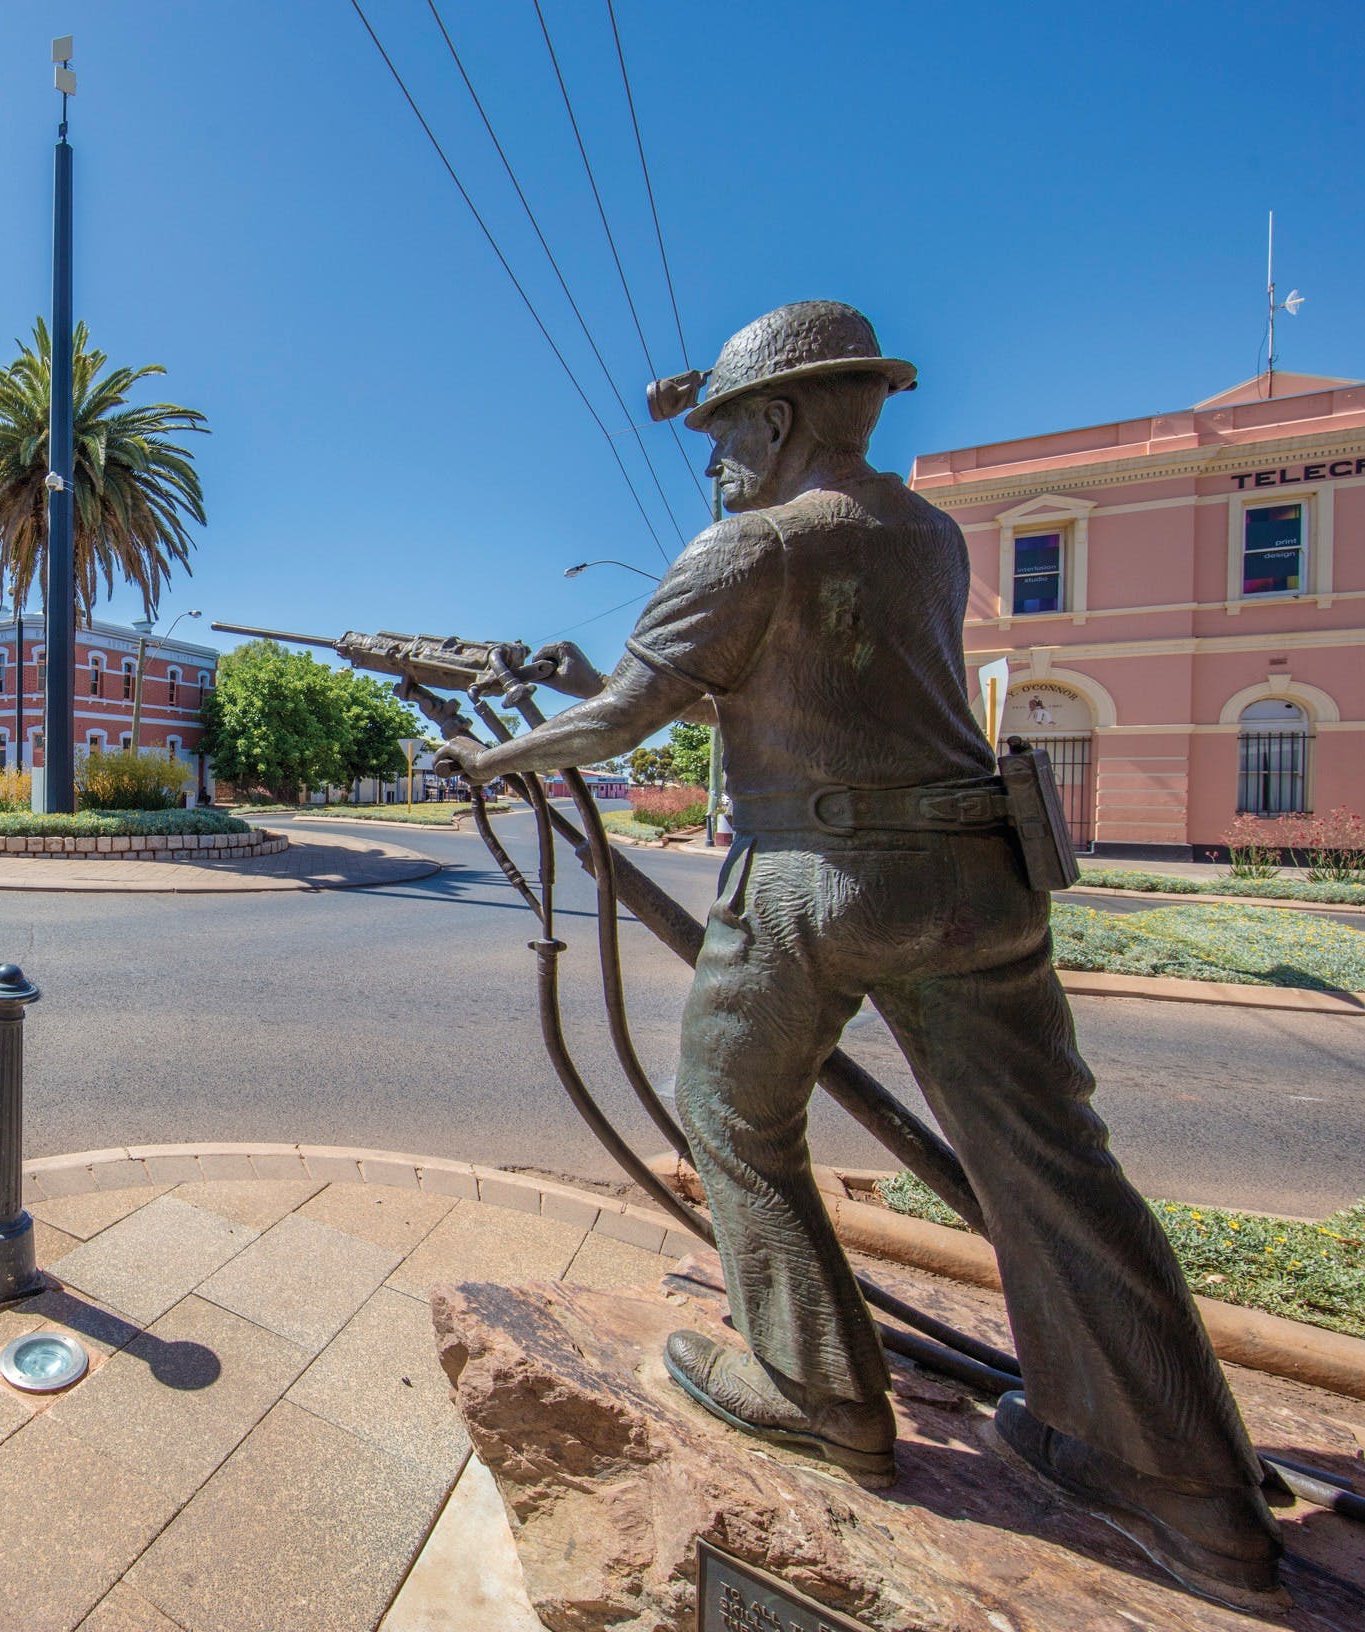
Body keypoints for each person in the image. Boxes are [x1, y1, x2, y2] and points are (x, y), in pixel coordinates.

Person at [430, 301, 1282, 1611]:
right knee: (1055, 1164)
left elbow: (617, 724)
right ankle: (1182, 1483)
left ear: (773, 420)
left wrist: (485, 757)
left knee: (733, 1113)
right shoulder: (925, 534)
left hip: (818, 884)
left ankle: (815, 1390)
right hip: (978, 883)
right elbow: (812, 674)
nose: (711, 459)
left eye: (719, 432)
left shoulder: (749, 541)